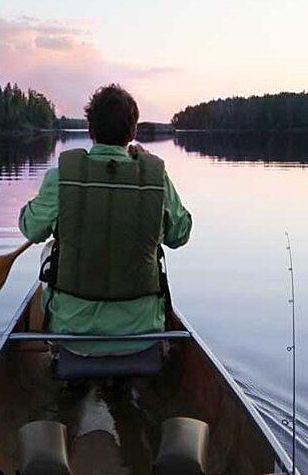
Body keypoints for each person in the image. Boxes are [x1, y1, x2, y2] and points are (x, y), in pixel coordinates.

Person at [18, 85, 192, 355]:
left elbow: (31, 229)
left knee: (48, 251)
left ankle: (56, 358)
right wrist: (147, 169)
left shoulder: (60, 177)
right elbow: (180, 234)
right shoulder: (156, 178)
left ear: (91, 131)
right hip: (142, 333)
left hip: (71, 333)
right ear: (133, 132)